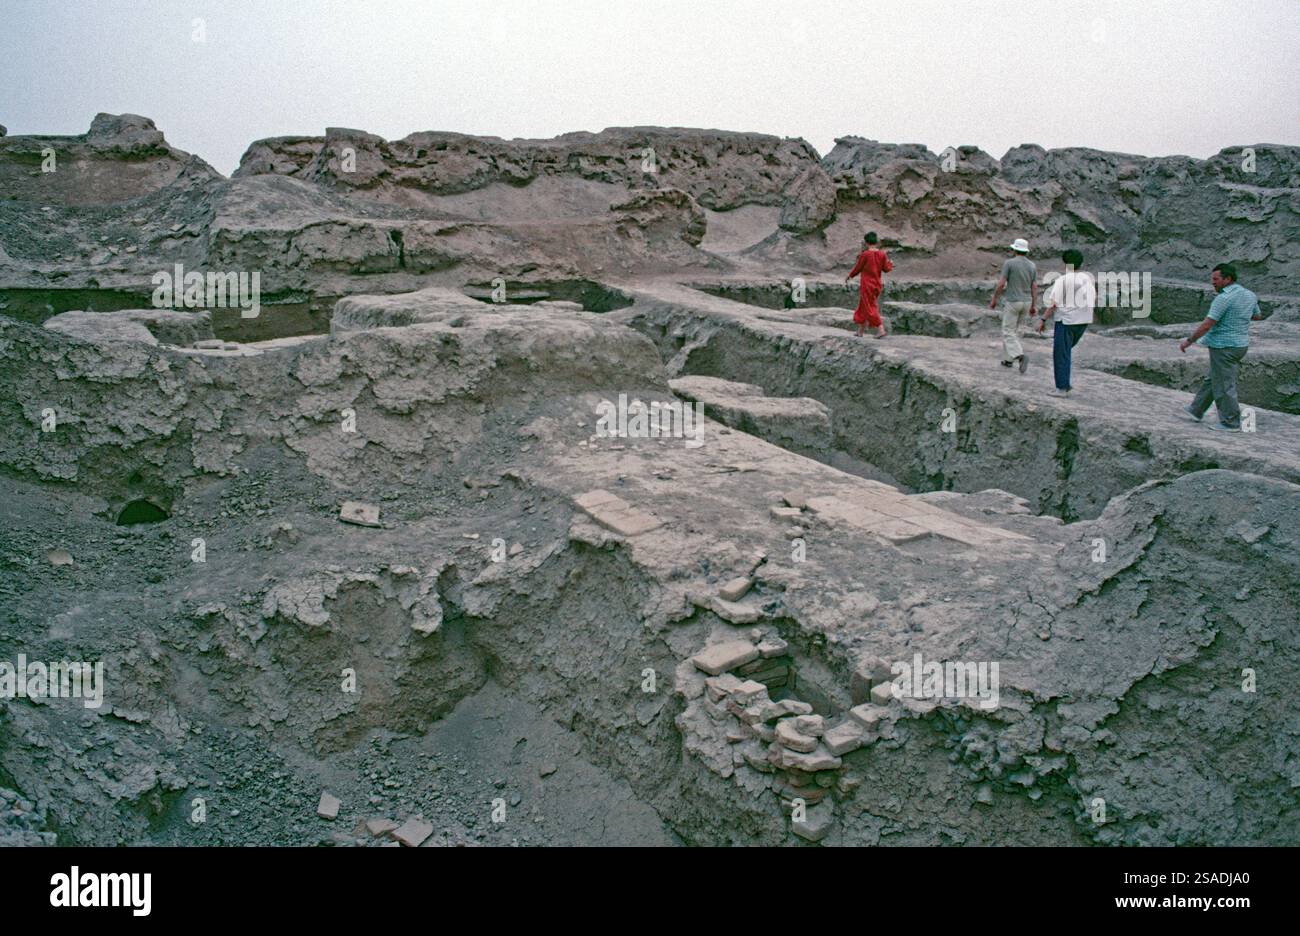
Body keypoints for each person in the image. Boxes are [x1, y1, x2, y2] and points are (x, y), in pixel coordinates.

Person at [1179, 262, 1263, 431]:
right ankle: (1196, 409)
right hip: (1240, 345)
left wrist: (1189, 340)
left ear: (1227, 279)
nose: (1213, 282)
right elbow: (1257, 316)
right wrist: (1238, 317)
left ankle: (1230, 422)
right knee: (1214, 378)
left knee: (1224, 385)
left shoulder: (1223, 298)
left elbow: (1207, 325)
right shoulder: (1250, 295)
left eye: (1216, 279)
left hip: (1224, 346)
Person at [1040, 249, 1095, 396]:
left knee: (1061, 354)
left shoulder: (1063, 280)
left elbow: (1053, 303)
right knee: (1066, 352)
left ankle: (1062, 387)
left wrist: (1043, 319)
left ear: (1065, 263)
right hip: (1083, 321)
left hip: (1066, 321)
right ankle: (1065, 384)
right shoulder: (1087, 278)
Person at [989, 238, 1037, 372]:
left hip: (1013, 301)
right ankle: (1008, 360)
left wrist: (994, 298)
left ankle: (1019, 355)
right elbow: (1034, 286)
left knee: (1007, 331)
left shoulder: (1009, 263)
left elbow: (1001, 284)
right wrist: (1034, 305)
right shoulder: (1032, 265)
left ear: (1014, 249)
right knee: (1013, 331)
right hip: (1027, 301)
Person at [845, 231, 893, 338]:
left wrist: (850, 276)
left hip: (867, 285)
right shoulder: (882, 254)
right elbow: (886, 269)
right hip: (877, 284)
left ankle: (881, 329)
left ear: (866, 242)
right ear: (876, 242)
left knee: (870, 307)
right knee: (864, 306)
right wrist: (890, 264)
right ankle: (860, 331)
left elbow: (858, 268)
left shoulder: (865, 255)